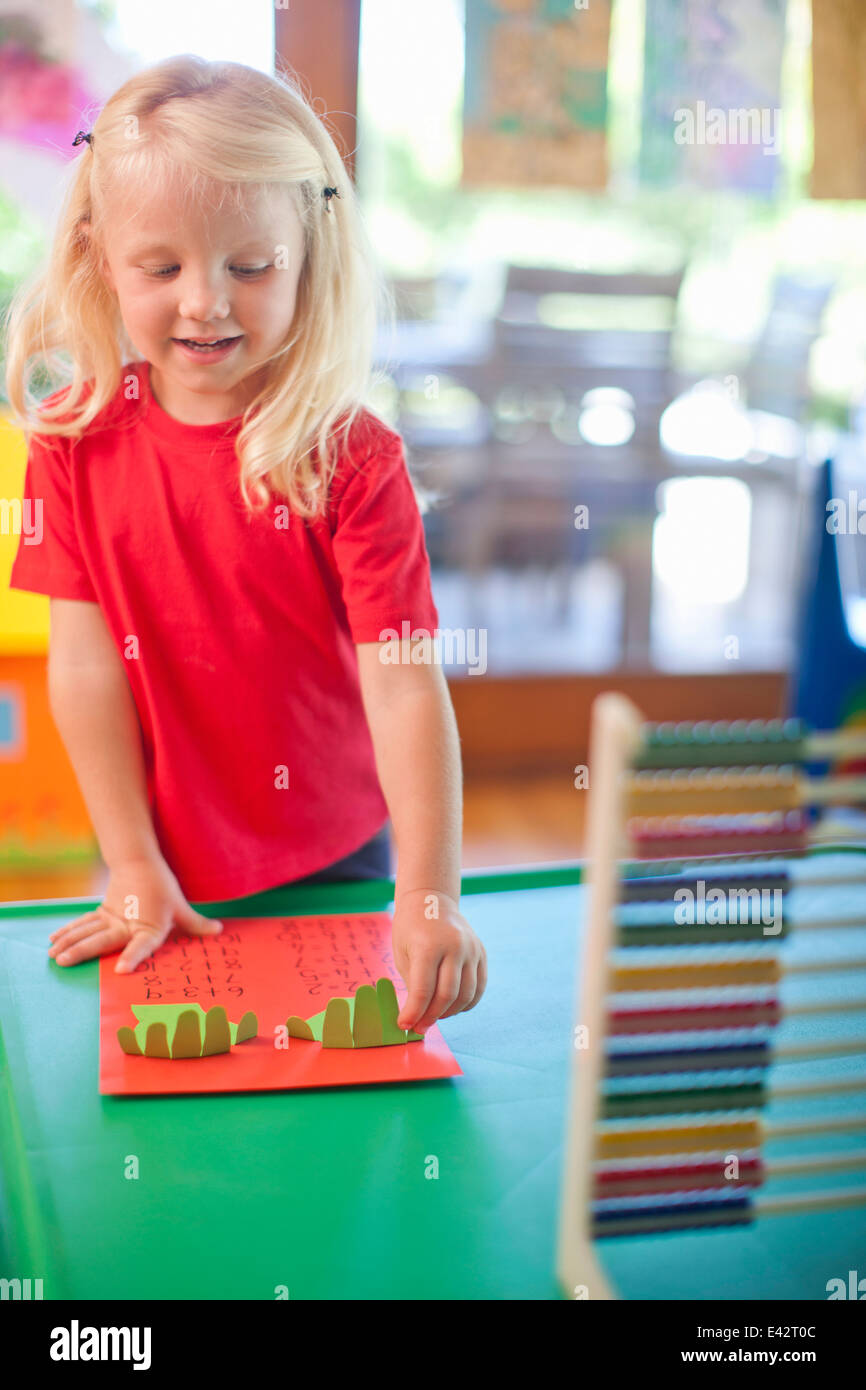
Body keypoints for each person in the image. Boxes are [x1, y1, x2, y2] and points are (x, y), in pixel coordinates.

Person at [5, 56, 486, 1036]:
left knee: (336, 1119)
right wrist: (131, 858)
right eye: (162, 266)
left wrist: (430, 896)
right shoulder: (66, 444)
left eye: (249, 266)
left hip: (338, 852)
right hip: (158, 856)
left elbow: (401, 682)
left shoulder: (354, 457)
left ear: (307, 256)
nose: (205, 302)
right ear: (102, 258)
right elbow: (85, 669)